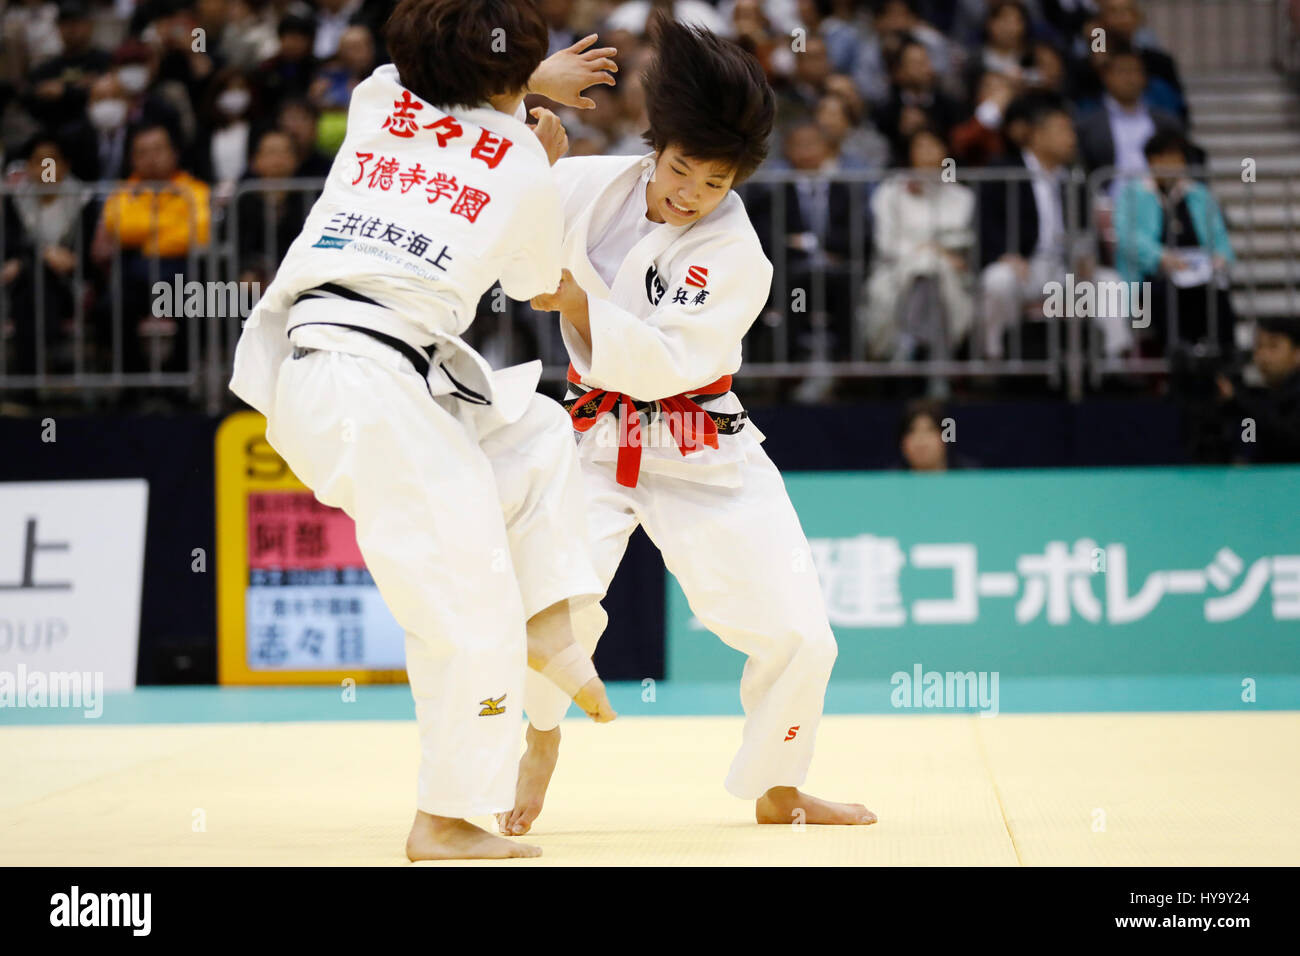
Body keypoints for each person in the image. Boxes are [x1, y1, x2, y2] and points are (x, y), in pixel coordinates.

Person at [228, 0, 621, 861]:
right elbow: (530, 284)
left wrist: (519, 98)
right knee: (468, 597)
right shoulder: (522, 162)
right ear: (509, 73)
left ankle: (551, 618)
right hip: (368, 383)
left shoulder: (375, 96)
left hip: (342, 373)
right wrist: (541, 160)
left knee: (534, 436)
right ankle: (446, 817)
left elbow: (445, 92)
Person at [504, 13, 876, 837]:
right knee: (549, 610)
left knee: (802, 634)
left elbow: (671, 359)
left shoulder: (737, 251)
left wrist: (574, 299)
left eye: (714, 183)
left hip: (703, 443)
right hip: (595, 440)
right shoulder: (583, 185)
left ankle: (779, 788)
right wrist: (527, 129)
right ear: (657, 144)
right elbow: (494, 215)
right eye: (680, 170)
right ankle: (536, 741)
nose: (690, 194)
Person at [1113, 129, 1235, 354]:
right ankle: (1178, 359)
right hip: (1153, 276)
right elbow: (1128, 237)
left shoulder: (1200, 195)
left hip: (1200, 273)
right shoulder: (1133, 194)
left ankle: (1223, 361)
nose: (1173, 165)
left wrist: (1219, 259)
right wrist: (1162, 258)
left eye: (1178, 159)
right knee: (1165, 294)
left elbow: (1220, 238)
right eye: (1165, 158)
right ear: (1151, 160)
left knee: (1217, 296)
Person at [861, 125, 975, 361]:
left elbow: (963, 241)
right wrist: (928, 252)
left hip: (949, 274)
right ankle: (936, 358)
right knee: (924, 266)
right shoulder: (890, 192)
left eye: (933, 146)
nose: (927, 153)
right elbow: (886, 242)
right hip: (897, 270)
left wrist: (936, 254)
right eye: (920, 146)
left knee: (931, 269)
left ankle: (909, 341)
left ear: (946, 152)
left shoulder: (962, 197)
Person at [1216, 318, 1300, 464]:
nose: (1263, 355)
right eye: (1259, 346)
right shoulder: (1260, 394)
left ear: (1297, 353)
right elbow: (1249, 437)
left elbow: (1289, 441)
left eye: (1273, 346)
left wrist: (1239, 401)